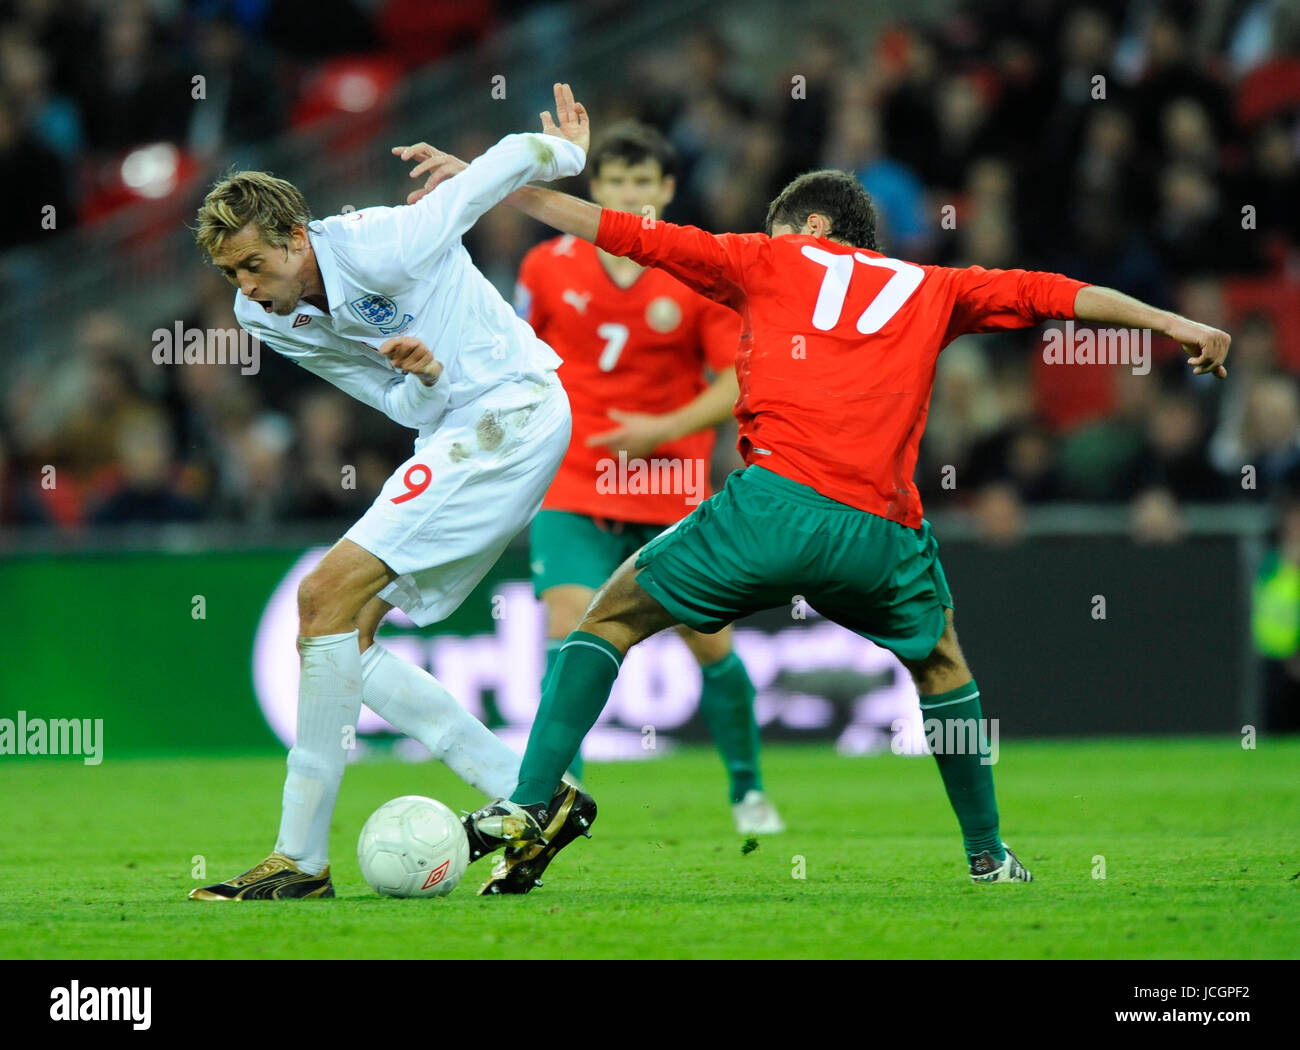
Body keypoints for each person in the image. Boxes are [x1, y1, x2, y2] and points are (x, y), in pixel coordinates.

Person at [406, 86, 1231, 892]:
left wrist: (488, 181)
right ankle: (988, 857)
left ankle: (525, 802)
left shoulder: (768, 257)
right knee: (942, 665)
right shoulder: (936, 287)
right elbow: (1054, 294)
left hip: (773, 509)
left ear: (810, 226)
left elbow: (626, 234)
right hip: (882, 533)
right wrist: (1174, 324)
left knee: (609, 618)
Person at [187, 84, 594, 901]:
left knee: (320, 596)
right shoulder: (265, 317)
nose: (248, 288)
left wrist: (570, 153)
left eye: (257, 264)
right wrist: (428, 376)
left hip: (512, 409)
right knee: (351, 629)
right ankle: (534, 794)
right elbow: (393, 401)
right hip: (456, 422)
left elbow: (501, 166)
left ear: (298, 237)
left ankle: (300, 861)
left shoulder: (387, 242)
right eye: (232, 272)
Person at [515, 120, 782, 834]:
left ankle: (749, 791)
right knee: (568, 628)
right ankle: (552, 793)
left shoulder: (696, 270)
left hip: (671, 491)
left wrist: (661, 432)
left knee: (710, 641)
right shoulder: (545, 266)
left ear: (666, 189)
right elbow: (515, 355)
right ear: (593, 188)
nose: (628, 193)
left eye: (643, 181)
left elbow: (740, 379)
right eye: (614, 181)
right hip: (572, 481)